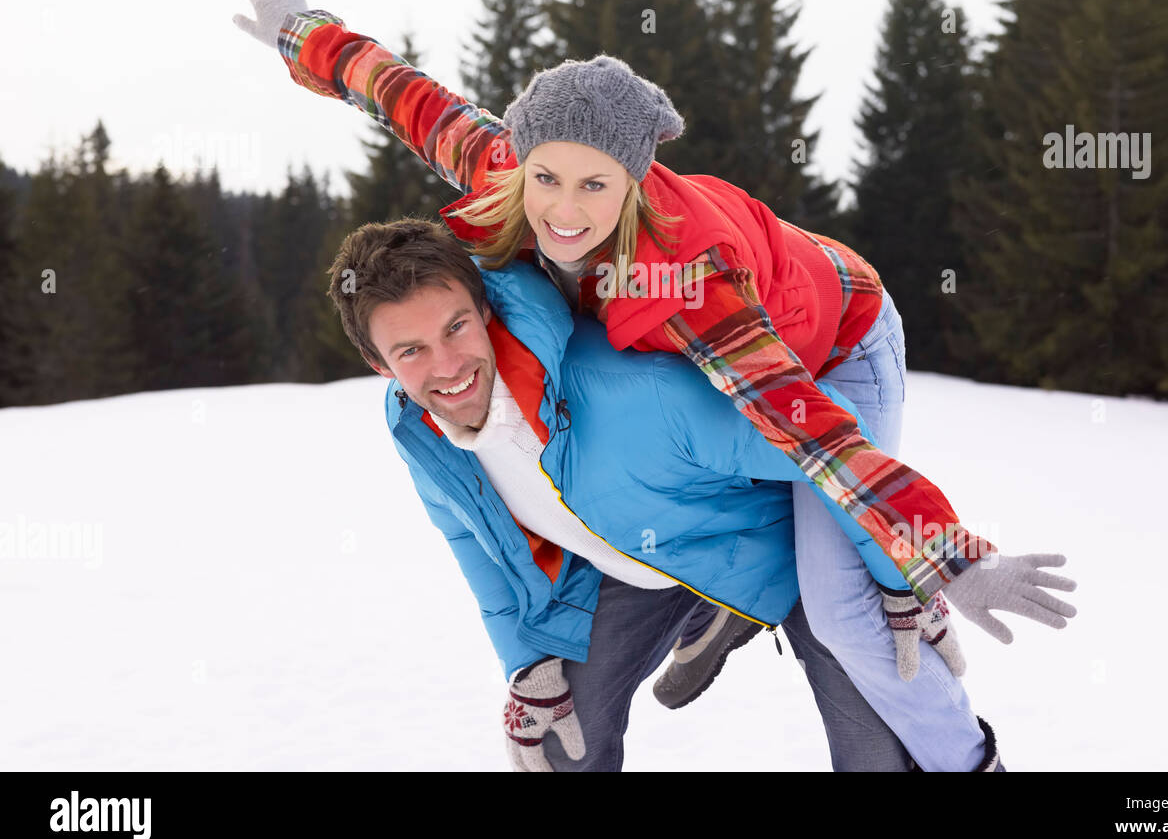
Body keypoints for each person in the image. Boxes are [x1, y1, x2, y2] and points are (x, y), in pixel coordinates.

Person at [234, 0, 1077, 729]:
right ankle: (724, 596)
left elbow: (819, 435)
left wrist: (944, 552)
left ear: (634, 184)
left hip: (839, 339)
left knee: (842, 608)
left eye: (595, 185)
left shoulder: (686, 279)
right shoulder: (503, 173)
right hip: (741, 352)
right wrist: (295, 31)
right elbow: (401, 93)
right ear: (520, 162)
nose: (563, 210)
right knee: (632, 408)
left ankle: (939, 692)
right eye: (547, 178)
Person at [325, 214, 1004, 770]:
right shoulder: (416, 426)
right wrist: (528, 664)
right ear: (378, 364)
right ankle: (709, 610)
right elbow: (471, 542)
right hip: (645, 563)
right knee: (566, 740)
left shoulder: (633, 397)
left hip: (781, 539)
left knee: (877, 752)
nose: (447, 367)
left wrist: (904, 568)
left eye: (455, 327)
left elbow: (824, 451)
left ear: (483, 309)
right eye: (410, 351)